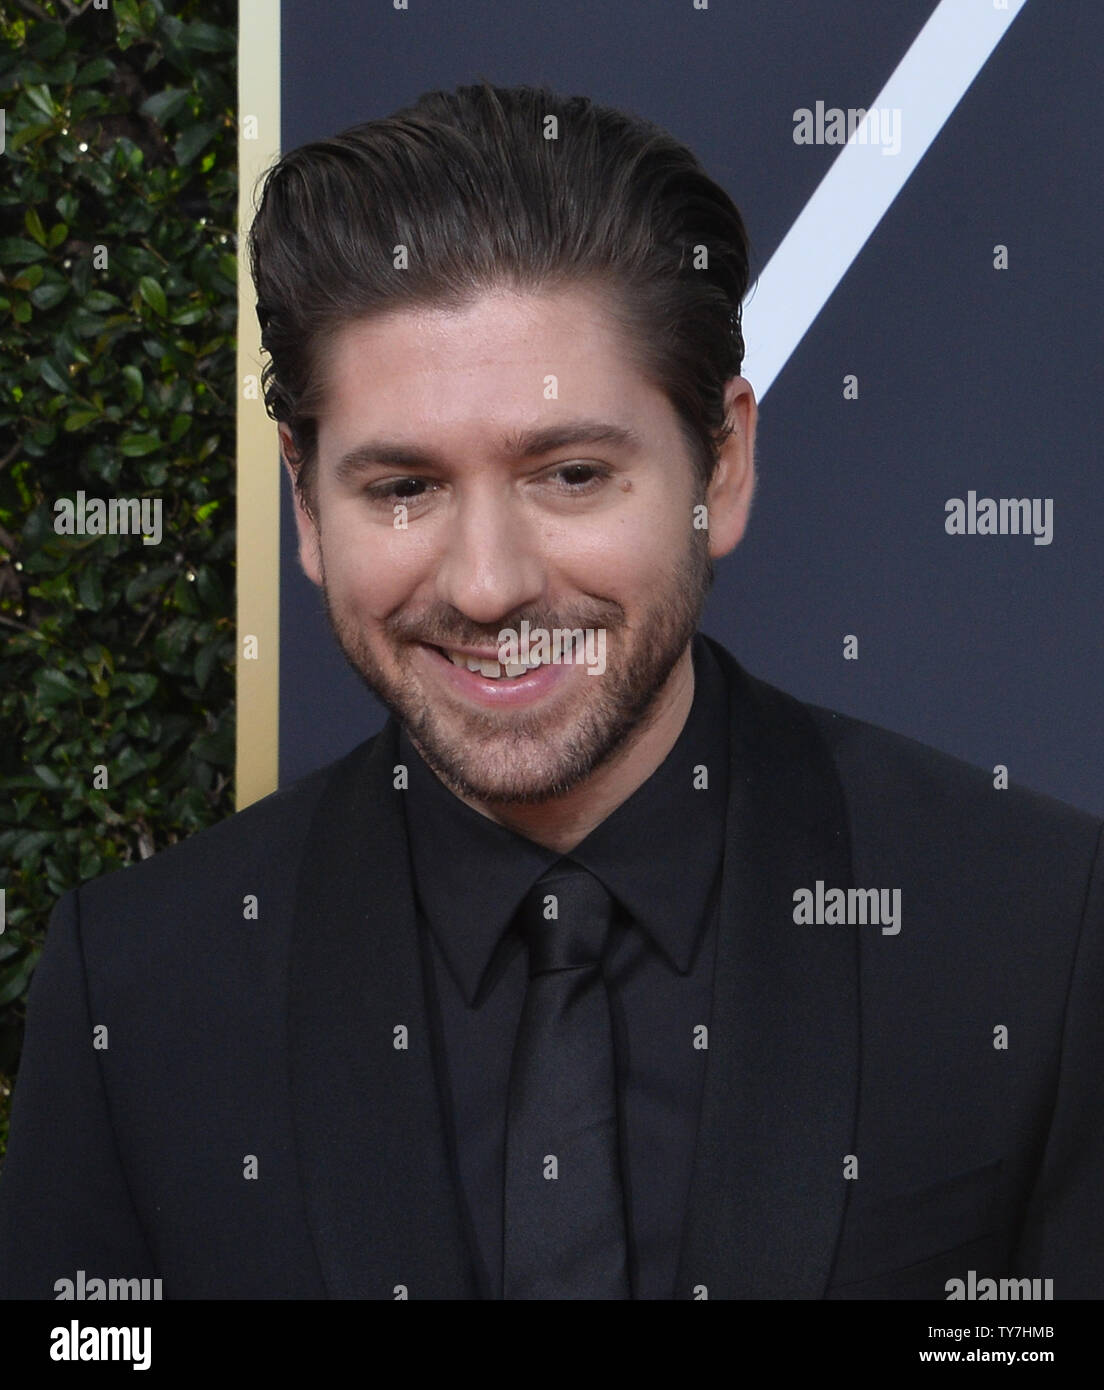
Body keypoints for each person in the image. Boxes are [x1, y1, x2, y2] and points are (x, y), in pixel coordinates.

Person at [1, 81, 1101, 1302]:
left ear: (721, 465)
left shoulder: (1033, 935)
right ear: (306, 507)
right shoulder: (141, 986)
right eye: (403, 488)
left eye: (571, 474)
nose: (485, 585)